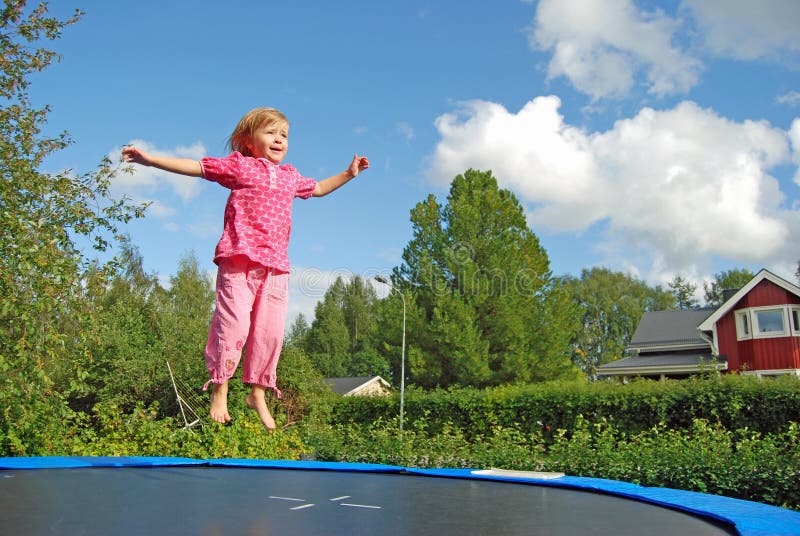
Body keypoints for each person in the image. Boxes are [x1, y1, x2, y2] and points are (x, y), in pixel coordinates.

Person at [122, 107, 369, 431]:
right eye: (270, 132)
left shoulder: (290, 176)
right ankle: (220, 387)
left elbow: (319, 188)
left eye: (284, 135)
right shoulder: (240, 166)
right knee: (233, 325)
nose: (279, 139)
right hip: (238, 260)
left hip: (275, 266)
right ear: (248, 141)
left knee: (270, 332)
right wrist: (151, 160)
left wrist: (349, 174)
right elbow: (197, 167)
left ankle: (258, 392)